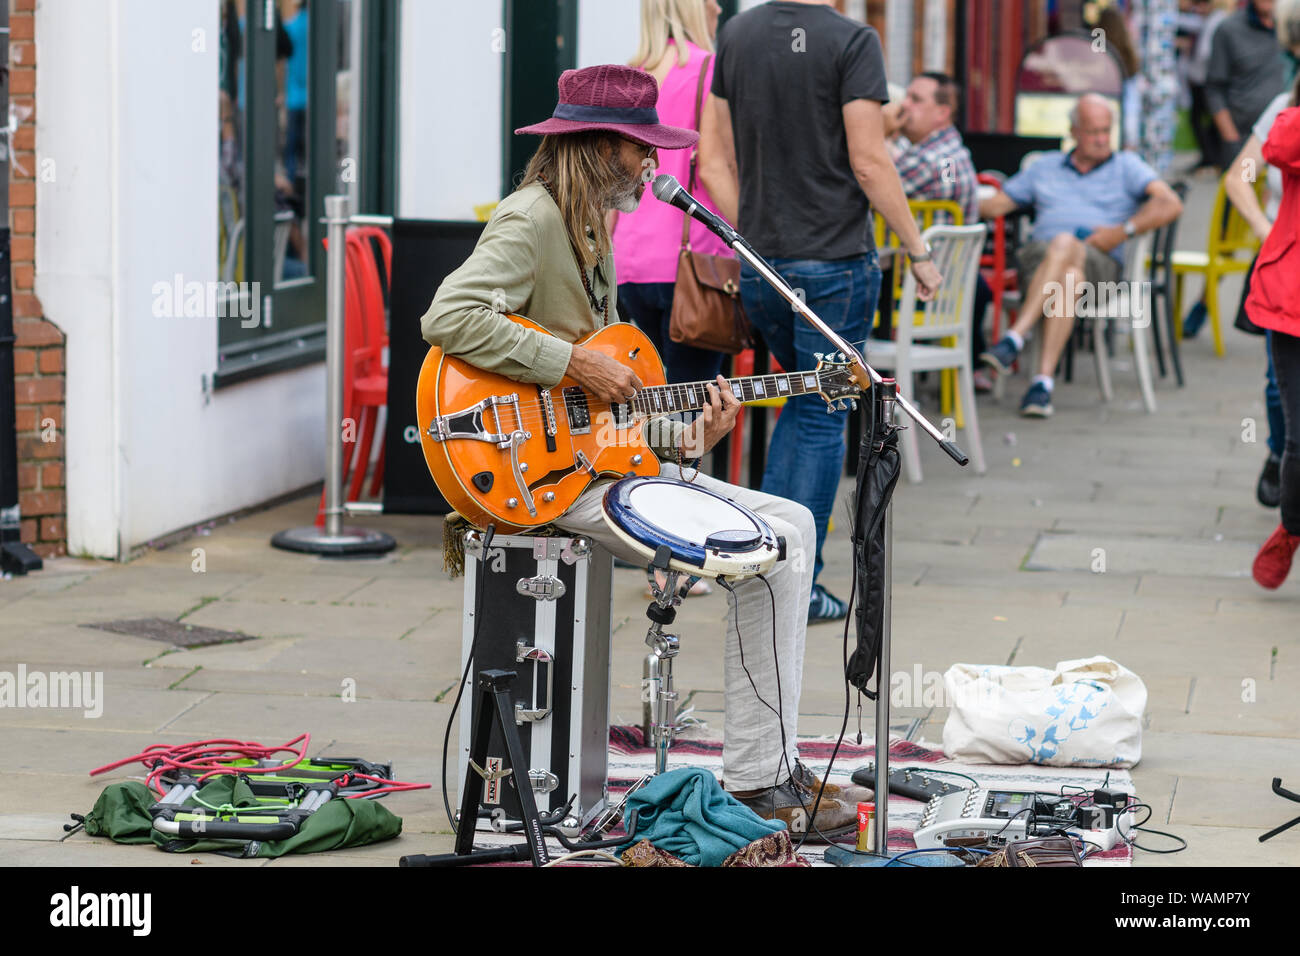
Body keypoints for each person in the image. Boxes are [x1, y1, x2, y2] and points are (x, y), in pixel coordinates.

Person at [422, 65, 868, 838]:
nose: (653, 166)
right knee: (766, 547)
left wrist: (693, 431)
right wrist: (572, 363)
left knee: (793, 524)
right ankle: (762, 781)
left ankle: (769, 764)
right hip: (543, 479)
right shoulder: (530, 218)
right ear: (600, 147)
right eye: (641, 150)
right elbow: (449, 316)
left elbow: (615, 411)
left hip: (595, 460)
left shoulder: (592, 227)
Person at [698, 0, 943, 623]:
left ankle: (762, 565)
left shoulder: (738, 34)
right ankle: (793, 583)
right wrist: (918, 250)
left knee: (800, 407)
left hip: (766, 270)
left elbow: (713, 158)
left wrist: (749, 237)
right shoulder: (852, 41)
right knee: (819, 418)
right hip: (833, 264)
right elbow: (868, 159)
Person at [978, 94, 1184, 418]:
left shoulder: (1127, 166)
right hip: (1039, 264)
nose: (1102, 139)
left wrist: (1123, 231)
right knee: (1070, 276)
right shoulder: (1043, 167)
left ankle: (1016, 337)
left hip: (1101, 267)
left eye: (1106, 130)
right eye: (1093, 131)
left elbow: (1171, 203)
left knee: (1065, 245)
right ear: (1073, 131)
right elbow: (994, 206)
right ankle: (1042, 384)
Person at [612, 0, 730, 392]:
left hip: (630, 263)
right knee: (691, 405)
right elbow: (715, 168)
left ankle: (657, 457)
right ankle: (683, 458)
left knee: (649, 403)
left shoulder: (628, 77)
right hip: (694, 264)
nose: (717, 7)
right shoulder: (711, 70)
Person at [882, 72, 995, 389]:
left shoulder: (932, 160)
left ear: (942, 113)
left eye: (916, 99)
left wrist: (878, 132)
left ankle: (847, 387)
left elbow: (865, 188)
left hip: (917, 289)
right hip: (950, 293)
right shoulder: (946, 151)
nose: (905, 105)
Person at [1225, 66, 1300, 508]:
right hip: (1282, 252)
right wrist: (1263, 227)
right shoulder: (1283, 110)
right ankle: (1280, 450)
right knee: (1278, 382)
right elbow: (1239, 177)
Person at [1245, 103, 1300, 587]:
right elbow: (1279, 145)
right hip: (1293, 303)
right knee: (1298, 436)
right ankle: (1292, 526)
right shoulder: (1290, 117)